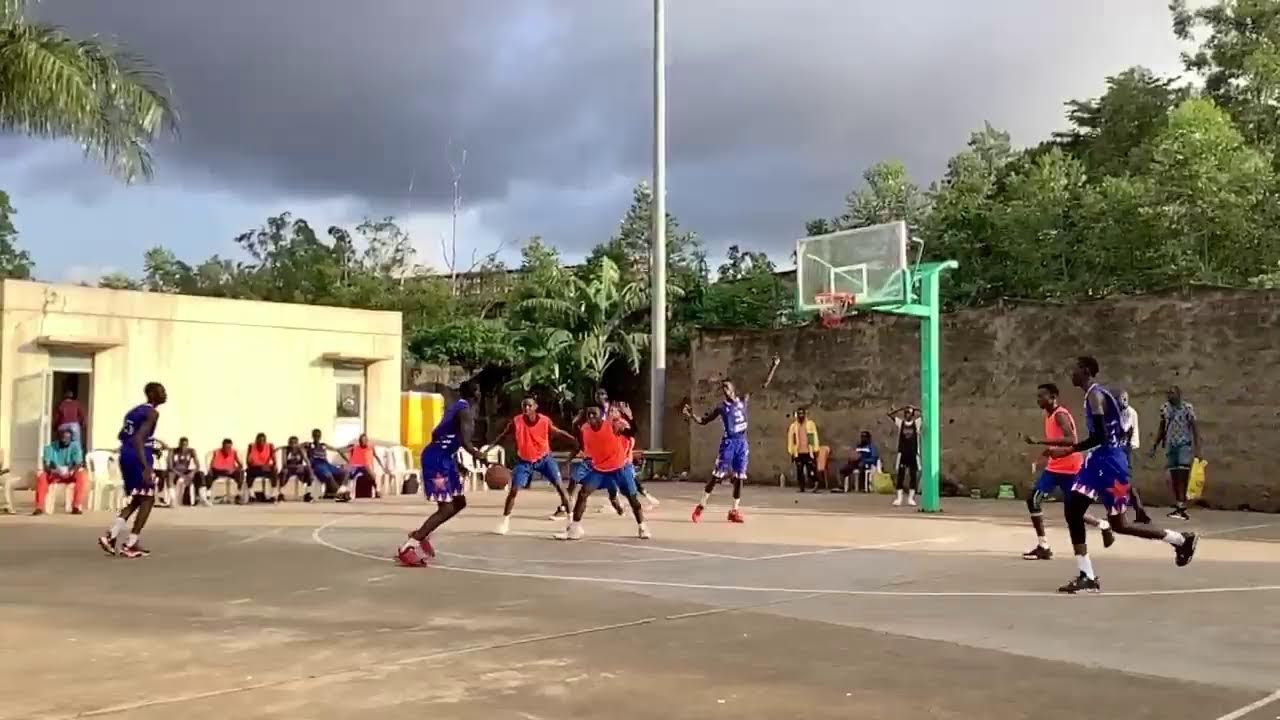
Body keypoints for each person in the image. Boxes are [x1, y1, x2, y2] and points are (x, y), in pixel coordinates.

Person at [1030, 358, 1197, 593]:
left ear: (1086, 371)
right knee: (1082, 511)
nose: (1071, 373)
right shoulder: (1098, 395)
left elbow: (1099, 436)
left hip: (1106, 462)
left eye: (1075, 369)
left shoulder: (1095, 396)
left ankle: (1179, 540)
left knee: (1113, 522)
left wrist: (1068, 450)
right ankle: (1179, 540)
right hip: (1102, 460)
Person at [396, 381, 489, 566]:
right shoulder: (463, 410)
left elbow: (437, 435)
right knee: (446, 507)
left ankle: (421, 534)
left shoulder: (456, 408)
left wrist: (456, 461)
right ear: (475, 394)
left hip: (445, 459)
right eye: (478, 391)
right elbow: (464, 441)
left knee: (459, 502)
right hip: (437, 460)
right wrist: (479, 455)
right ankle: (410, 545)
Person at [1021, 383, 1114, 560]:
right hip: (1054, 468)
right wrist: (1044, 454)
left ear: (1053, 397)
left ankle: (1102, 524)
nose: (1039, 399)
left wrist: (1040, 441)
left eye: (1042, 396)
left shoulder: (1060, 414)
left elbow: (1071, 439)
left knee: (1073, 511)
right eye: (1038, 396)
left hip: (1070, 469)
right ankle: (1043, 546)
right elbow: (1055, 442)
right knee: (1033, 499)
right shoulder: (1048, 415)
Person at [683, 355, 781, 524]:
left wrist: (774, 366)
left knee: (740, 477)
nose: (725, 391)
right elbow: (704, 421)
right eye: (723, 389)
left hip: (741, 443)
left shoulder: (743, 399)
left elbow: (763, 385)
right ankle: (701, 505)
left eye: (727, 388)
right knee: (717, 476)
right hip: (729, 443)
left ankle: (734, 510)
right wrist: (691, 415)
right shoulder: (722, 408)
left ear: (733, 389)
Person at [556, 404, 649, 540]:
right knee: (583, 493)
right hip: (599, 469)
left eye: (594, 414)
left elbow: (631, 432)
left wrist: (630, 417)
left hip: (619, 468)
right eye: (589, 414)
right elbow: (581, 443)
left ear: (601, 416)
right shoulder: (585, 429)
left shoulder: (612, 426)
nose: (591, 417)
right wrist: (574, 423)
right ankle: (575, 528)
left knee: (632, 497)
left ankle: (642, 526)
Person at [98, 382, 167, 558]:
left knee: (138, 498)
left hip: (126, 455)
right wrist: (146, 465)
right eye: (161, 391)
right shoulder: (152, 413)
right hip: (138, 456)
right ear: (151, 393)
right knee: (148, 499)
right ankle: (131, 543)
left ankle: (111, 535)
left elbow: (124, 435)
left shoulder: (134, 411)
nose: (164, 394)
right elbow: (137, 439)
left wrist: (150, 444)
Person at [491, 396, 577, 536]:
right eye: (524, 406)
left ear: (535, 407)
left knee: (560, 487)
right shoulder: (516, 422)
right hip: (524, 461)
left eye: (529, 406)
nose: (526, 408)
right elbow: (503, 436)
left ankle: (571, 522)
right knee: (514, 490)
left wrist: (574, 440)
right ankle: (504, 522)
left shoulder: (544, 421)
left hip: (544, 459)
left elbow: (558, 432)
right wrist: (489, 449)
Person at [1152, 386, 1200, 521]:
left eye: (1172, 393)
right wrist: (1155, 444)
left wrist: (1198, 448)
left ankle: (1182, 505)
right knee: (1174, 476)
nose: (1169, 395)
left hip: (1184, 445)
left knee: (1182, 475)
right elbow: (1162, 427)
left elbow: (1195, 428)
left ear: (1179, 394)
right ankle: (1179, 505)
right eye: (1168, 393)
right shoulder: (1165, 408)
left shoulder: (1187, 408)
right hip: (1171, 445)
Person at [34, 427, 87, 515]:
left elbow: (78, 463)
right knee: (41, 476)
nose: (65, 440)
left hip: (69, 473)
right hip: (55, 473)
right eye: (63, 438)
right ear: (58, 438)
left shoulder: (75, 446)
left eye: (67, 438)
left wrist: (70, 470)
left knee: (81, 475)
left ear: (71, 439)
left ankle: (76, 506)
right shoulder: (50, 447)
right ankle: (39, 507)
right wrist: (54, 470)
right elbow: (46, 465)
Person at [1118, 391, 1151, 524]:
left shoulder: (1129, 412)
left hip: (1127, 449)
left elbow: (1126, 431)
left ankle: (1135, 511)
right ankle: (1139, 511)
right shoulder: (1122, 411)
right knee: (1124, 482)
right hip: (1123, 449)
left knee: (1125, 481)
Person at [888, 406, 922, 507]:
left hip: (913, 453)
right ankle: (899, 498)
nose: (908, 415)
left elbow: (926, 415)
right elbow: (890, 415)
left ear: (913, 415)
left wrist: (916, 409)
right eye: (906, 413)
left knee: (913, 476)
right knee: (900, 476)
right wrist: (900, 409)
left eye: (910, 414)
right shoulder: (900, 423)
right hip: (902, 453)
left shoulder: (917, 423)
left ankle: (911, 498)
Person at [304, 429, 346, 502]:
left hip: (326, 464)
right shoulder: (309, 445)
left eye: (318, 436)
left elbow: (336, 449)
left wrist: (348, 448)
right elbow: (296, 445)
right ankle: (339, 494)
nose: (317, 437)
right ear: (313, 436)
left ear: (320, 436)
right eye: (315, 435)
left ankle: (330, 493)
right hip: (317, 465)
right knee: (328, 475)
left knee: (343, 472)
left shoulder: (323, 445)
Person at [343, 433, 388, 499]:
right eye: (362, 440)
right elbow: (344, 453)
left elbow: (376, 456)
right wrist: (348, 462)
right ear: (360, 441)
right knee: (350, 475)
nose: (364, 442)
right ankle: (346, 492)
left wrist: (382, 467)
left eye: (365, 440)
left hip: (366, 467)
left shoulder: (370, 447)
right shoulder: (355, 447)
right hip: (356, 466)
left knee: (370, 473)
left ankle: (377, 491)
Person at [787, 408, 822, 492]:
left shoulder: (810, 424)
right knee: (800, 471)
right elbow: (792, 440)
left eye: (802, 414)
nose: (801, 415)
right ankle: (801, 487)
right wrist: (791, 451)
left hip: (809, 452)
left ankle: (815, 484)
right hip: (798, 452)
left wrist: (815, 449)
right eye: (799, 414)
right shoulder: (793, 426)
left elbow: (813, 437)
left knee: (812, 469)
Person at [167, 437, 205, 506]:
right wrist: (181, 475)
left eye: (185, 445)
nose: (183, 447)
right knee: (170, 475)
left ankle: (202, 498)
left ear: (187, 445)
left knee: (200, 474)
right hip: (175, 471)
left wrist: (192, 473)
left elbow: (198, 465)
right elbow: (170, 466)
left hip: (185, 471)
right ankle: (172, 499)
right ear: (179, 444)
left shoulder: (191, 451)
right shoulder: (172, 451)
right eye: (182, 445)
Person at [208, 438, 245, 503]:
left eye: (229, 447)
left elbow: (240, 465)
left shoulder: (233, 452)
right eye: (226, 447)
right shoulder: (216, 452)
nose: (228, 449)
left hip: (230, 471)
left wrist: (236, 469)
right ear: (222, 446)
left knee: (240, 473)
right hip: (218, 471)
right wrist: (212, 469)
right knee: (209, 475)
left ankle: (238, 494)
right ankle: (208, 495)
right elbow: (212, 464)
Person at [245, 433, 279, 503]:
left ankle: (273, 495)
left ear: (265, 441)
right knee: (248, 471)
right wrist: (251, 462)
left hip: (265, 467)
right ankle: (252, 495)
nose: (261, 442)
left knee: (274, 471)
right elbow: (247, 462)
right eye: (259, 441)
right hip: (255, 467)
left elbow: (274, 461)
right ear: (256, 441)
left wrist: (271, 466)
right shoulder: (251, 446)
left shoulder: (270, 446)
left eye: (263, 441)